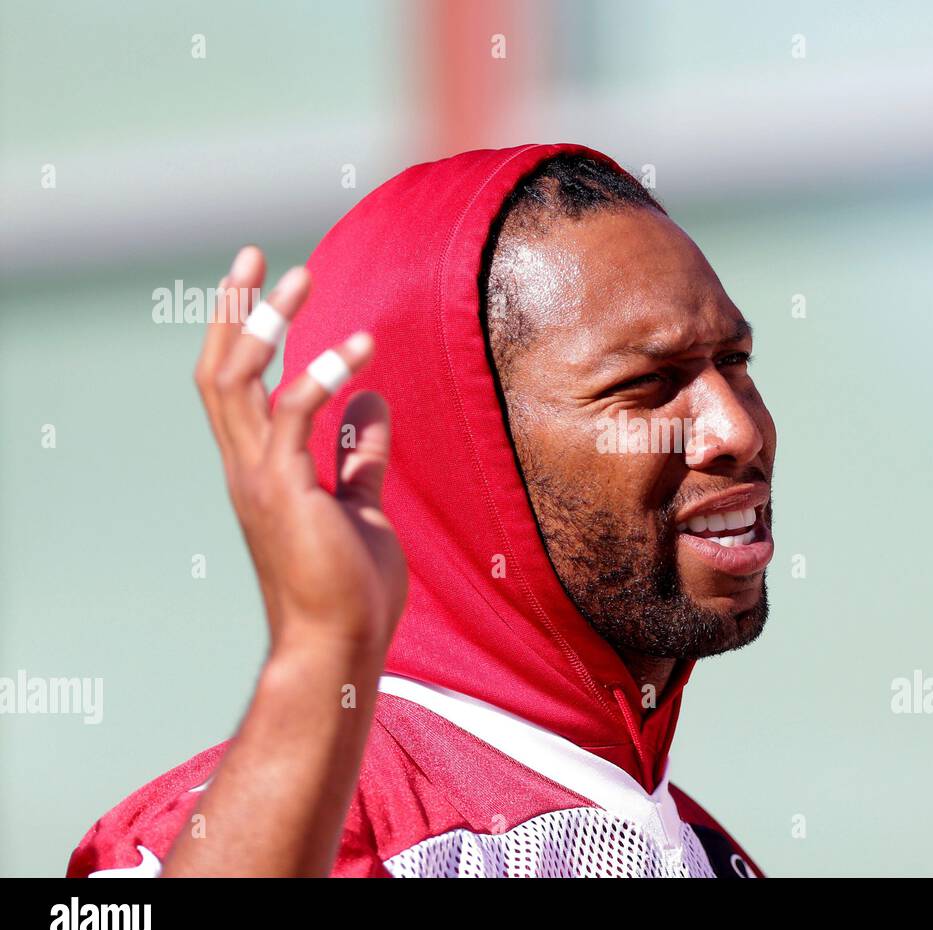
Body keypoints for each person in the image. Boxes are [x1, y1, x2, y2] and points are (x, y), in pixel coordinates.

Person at [67, 143, 776, 878]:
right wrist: (320, 652)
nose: (740, 431)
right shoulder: (267, 833)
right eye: (649, 382)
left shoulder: (706, 847)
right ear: (462, 440)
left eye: (735, 361)